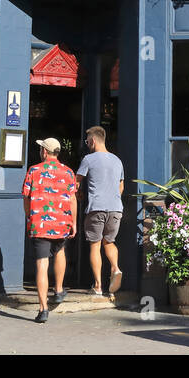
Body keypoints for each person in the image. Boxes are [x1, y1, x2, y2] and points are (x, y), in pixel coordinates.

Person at [22, 137, 77, 323]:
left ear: (44, 152)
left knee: (42, 264)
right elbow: (72, 200)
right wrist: (74, 222)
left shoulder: (34, 170)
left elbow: (26, 197)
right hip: (61, 222)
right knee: (60, 251)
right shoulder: (69, 172)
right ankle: (59, 289)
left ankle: (43, 309)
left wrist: (30, 217)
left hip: (40, 223)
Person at [78, 126, 125, 297]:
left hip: (96, 207)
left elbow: (76, 182)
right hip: (115, 208)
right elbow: (121, 186)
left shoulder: (88, 159)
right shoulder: (117, 160)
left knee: (95, 244)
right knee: (109, 242)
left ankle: (98, 286)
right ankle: (115, 267)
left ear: (93, 141)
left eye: (87, 141)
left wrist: (79, 194)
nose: (87, 143)